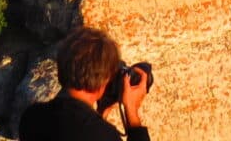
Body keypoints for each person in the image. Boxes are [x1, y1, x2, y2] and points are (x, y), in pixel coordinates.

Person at [18, 27, 151, 140]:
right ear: (104, 80)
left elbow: (80, 129)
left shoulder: (31, 118)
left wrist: (101, 113)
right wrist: (131, 111)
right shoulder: (105, 135)